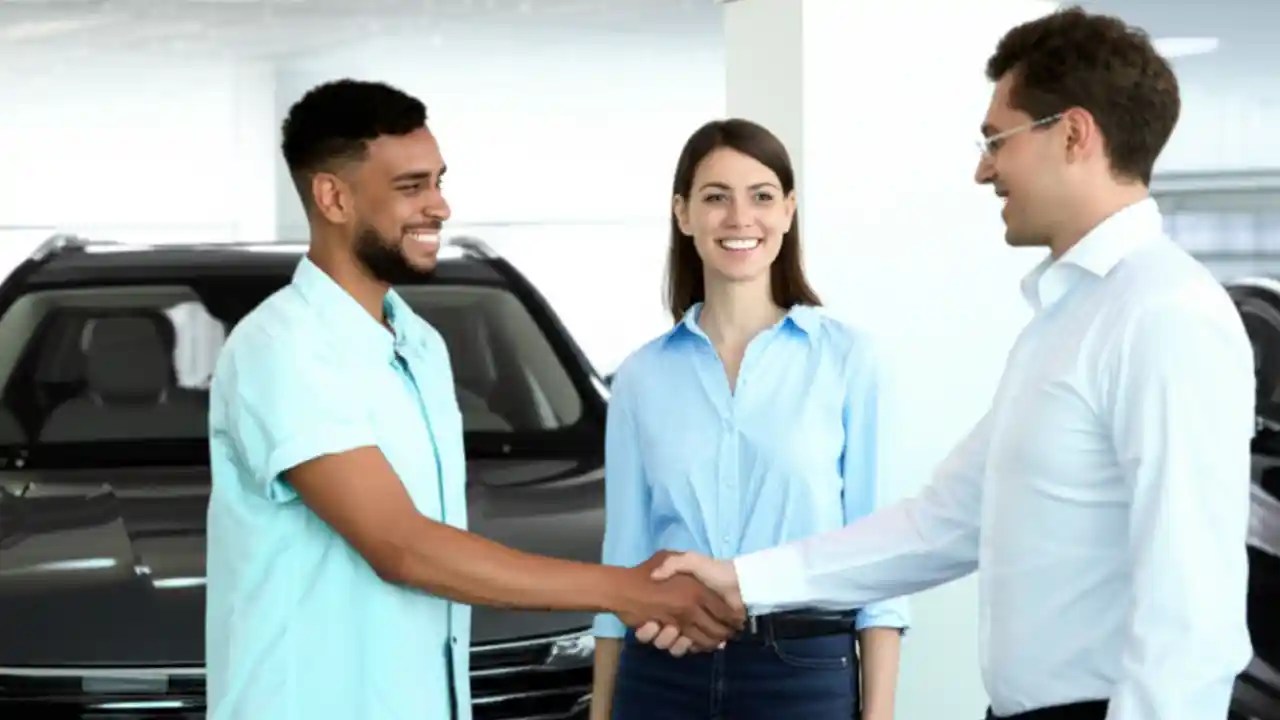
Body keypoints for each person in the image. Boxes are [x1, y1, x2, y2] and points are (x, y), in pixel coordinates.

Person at [643, 8, 1257, 720]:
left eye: (997, 139)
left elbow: (1194, 621)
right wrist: (739, 579)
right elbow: (941, 523)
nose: (982, 168)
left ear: (1073, 134)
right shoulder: (1066, 321)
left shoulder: (1165, 314)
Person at [204, 79, 744, 720]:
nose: (440, 205)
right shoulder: (283, 347)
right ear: (333, 197)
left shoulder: (421, 346)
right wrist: (625, 591)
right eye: (411, 187)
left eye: (438, 180)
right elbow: (401, 546)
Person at [589, 118, 909, 720]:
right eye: (716, 197)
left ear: (788, 211)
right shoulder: (640, 377)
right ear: (683, 214)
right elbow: (622, 558)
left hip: (804, 671)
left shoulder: (848, 361)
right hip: (662, 670)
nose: (740, 218)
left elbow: (877, 558)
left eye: (761, 196)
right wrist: (602, 711)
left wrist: (880, 712)